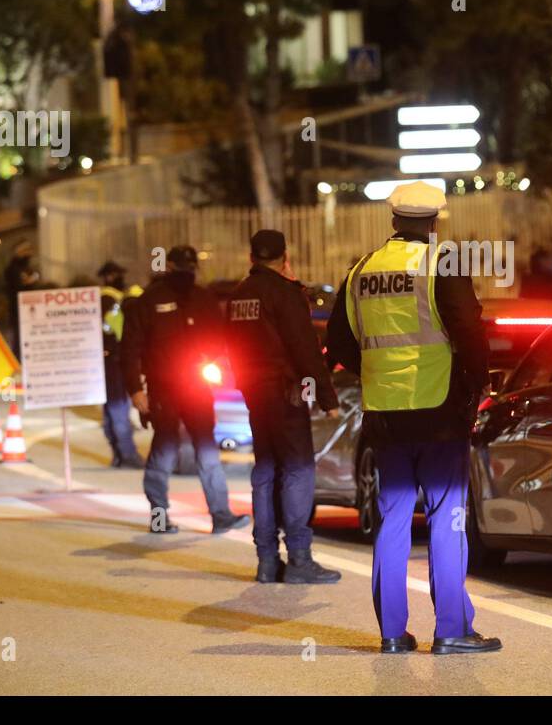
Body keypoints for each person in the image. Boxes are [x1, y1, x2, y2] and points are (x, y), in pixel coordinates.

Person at [325, 181, 501, 655]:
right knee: (448, 518)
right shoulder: (443, 263)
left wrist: (375, 372)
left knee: (393, 518)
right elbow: (470, 333)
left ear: (394, 219)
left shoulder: (362, 269)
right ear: (435, 221)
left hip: (385, 415)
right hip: (441, 413)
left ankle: (391, 633)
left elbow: (338, 342)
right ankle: (451, 629)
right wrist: (474, 386)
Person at [223, 229, 342, 585]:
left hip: (255, 395)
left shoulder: (238, 296)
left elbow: (232, 348)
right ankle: (300, 559)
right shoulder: (286, 293)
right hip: (285, 392)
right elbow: (303, 347)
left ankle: (266, 560)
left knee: (265, 469)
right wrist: (327, 396)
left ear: (251, 258)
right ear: (284, 257)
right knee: (297, 470)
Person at [121, 245, 250, 535]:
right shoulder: (151, 300)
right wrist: (135, 390)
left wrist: (212, 357)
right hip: (164, 389)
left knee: (205, 449)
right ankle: (159, 516)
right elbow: (130, 348)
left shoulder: (202, 298)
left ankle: (220, 514)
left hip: (196, 388)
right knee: (165, 448)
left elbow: (219, 337)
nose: (187, 273)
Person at [98, 261, 143, 470]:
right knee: (118, 409)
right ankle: (127, 455)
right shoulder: (111, 300)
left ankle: (118, 455)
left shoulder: (103, 298)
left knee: (110, 409)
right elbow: (116, 331)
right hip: (115, 361)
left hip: (103, 361)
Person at [4, 240, 41, 352]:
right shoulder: (13, 269)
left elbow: (33, 277)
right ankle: (18, 356)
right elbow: (19, 284)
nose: (29, 253)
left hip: (29, 307)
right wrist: (30, 280)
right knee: (18, 334)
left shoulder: (27, 267)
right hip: (17, 307)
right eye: (25, 250)